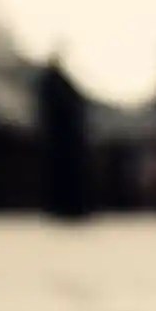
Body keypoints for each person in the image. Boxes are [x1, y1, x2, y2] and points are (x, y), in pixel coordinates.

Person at [37, 52, 89, 218]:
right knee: (63, 175)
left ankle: (67, 206)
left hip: (63, 141)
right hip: (61, 140)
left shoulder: (57, 83)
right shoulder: (57, 83)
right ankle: (65, 206)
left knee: (65, 176)